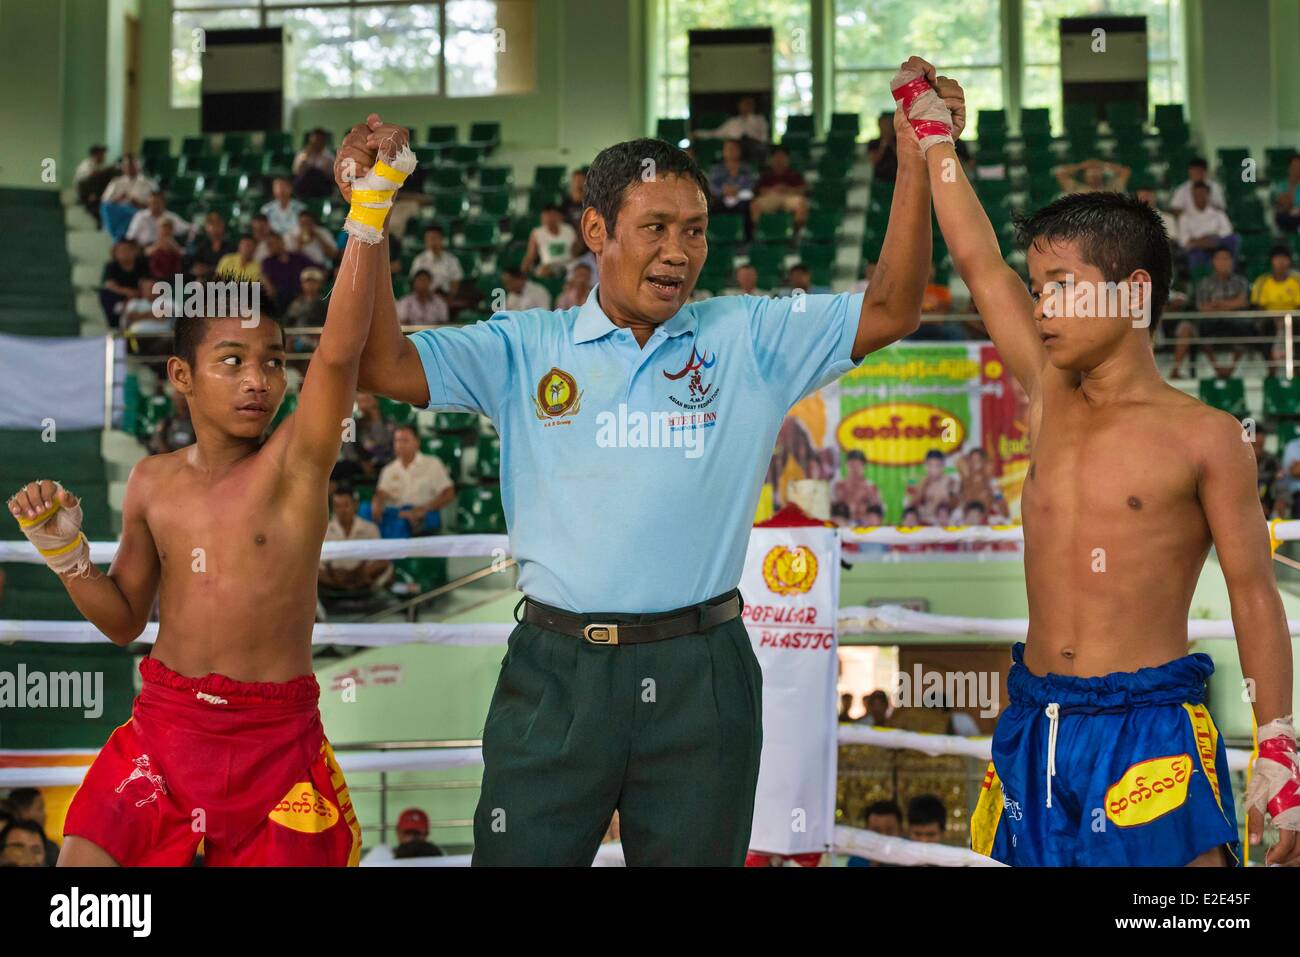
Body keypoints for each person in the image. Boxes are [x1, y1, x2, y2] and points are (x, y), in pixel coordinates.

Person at [347, 95, 937, 864]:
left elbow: (893, 307)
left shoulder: (750, 334)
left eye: (693, 231)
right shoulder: (526, 345)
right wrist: (371, 210)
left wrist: (914, 154)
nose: (678, 251)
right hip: (554, 671)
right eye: (655, 228)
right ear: (596, 231)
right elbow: (381, 361)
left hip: (704, 669)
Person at [915, 56, 1297, 866]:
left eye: (1058, 285)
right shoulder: (1048, 390)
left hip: (1152, 723)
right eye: (1037, 287)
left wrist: (1281, 748)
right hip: (1036, 716)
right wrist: (933, 135)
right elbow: (979, 259)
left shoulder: (1207, 435)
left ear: (1129, 295)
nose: (1040, 306)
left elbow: (1254, 592)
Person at [5, 113, 410, 866]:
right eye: (232, 360)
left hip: (277, 743)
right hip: (163, 730)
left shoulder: (294, 462)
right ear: (182, 378)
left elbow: (340, 351)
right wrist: (66, 556)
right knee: (83, 895)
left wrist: (370, 208)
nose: (259, 379)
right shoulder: (153, 483)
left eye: (272, 360)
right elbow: (125, 621)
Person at [368, 424, 456, 537]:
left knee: (402, 524)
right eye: (397, 440)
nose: (400, 445)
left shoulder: (432, 464)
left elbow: (449, 493)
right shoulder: (388, 470)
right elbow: (381, 493)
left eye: (405, 440)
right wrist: (377, 502)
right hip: (398, 515)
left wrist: (424, 509)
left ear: (417, 442)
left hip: (424, 514)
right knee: (366, 510)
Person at [318, 486, 392, 593]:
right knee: (312, 569)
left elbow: (378, 559)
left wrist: (359, 572)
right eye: (337, 506)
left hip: (362, 575)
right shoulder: (323, 530)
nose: (342, 510)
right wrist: (334, 576)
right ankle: (340, 588)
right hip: (333, 578)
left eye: (346, 505)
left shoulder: (370, 528)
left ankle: (357, 587)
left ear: (355, 505)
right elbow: (320, 563)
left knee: (384, 563)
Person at [1195, 245, 1250, 378]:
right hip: (1212, 320)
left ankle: (1232, 367)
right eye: (1219, 259)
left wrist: (1218, 304)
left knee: (1244, 326)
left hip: (1234, 319)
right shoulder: (1205, 283)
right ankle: (1216, 367)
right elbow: (1202, 307)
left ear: (1232, 261)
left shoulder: (1240, 281)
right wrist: (1230, 304)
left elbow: (1242, 302)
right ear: (1213, 262)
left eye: (1226, 258)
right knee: (1202, 327)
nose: (1223, 262)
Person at [1252, 245, 1300, 371]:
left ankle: (1296, 368)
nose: (1281, 262)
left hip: (1293, 319)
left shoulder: (1297, 280)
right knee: (1265, 327)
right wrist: (1274, 318)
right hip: (1269, 319)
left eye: (1284, 258)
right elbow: (1259, 306)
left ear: (1289, 261)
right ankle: (1271, 368)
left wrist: (1286, 319)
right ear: (1272, 261)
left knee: (1296, 327)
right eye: (1277, 258)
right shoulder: (1262, 281)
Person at [1178, 182, 1238, 271]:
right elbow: (1184, 242)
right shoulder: (1185, 217)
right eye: (1197, 194)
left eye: (1202, 194)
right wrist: (1203, 241)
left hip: (1217, 246)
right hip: (1198, 249)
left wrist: (1212, 239)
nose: (1200, 197)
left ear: (1208, 195)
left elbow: (1227, 233)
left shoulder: (1218, 213)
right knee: (1194, 254)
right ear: (1192, 196)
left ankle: (1231, 273)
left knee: (1235, 239)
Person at [100, 155, 156, 240]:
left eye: (132, 165)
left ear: (139, 166)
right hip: (119, 211)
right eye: (126, 166)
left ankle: (118, 238)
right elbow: (106, 202)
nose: (129, 168)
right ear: (122, 168)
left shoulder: (149, 183)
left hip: (139, 211)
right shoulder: (115, 182)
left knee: (136, 215)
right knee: (106, 207)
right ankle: (118, 236)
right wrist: (118, 199)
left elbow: (155, 204)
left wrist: (136, 203)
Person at [751, 145, 808, 227]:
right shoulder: (766, 175)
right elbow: (760, 190)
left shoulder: (794, 174)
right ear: (771, 159)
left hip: (789, 197)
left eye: (782, 157)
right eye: (776, 157)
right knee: (755, 205)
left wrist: (788, 189)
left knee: (802, 204)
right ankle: (761, 232)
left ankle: (796, 233)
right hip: (771, 197)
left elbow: (803, 189)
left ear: (787, 159)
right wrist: (773, 190)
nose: (779, 160)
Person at [708, 139, 757, 229]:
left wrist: (737, 190)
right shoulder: (716, 169)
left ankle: (747, 238)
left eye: (733, 149)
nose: (731, 152)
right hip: (721, 199)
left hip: (742, 200)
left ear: (739, 151)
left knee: (751, 206)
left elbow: (751, 185)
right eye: (728, 149)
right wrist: (723, 191)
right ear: (723, 151)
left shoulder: (747, 168)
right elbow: (711, 186)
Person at [100, 240, 149, 328]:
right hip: (120, 295)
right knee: (105, 294)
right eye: (121, 251)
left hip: (140, 293)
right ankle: (115, 324)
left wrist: (137, 293)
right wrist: (127, 292)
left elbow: (146, 281)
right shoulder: (111, 266)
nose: (125, 253)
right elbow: (109, 284)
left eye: (128, 250)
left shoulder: (142, 264)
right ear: (115, 253)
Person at [521, 204, 577, 278]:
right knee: (543, 271)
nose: (550, 218)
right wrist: (522, 271)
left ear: (558, 216)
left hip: (568, 265)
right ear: (542, 218)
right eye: (547, 216)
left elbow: (576, 251)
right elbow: (530, 255)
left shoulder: (568, 229)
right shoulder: (537, 233)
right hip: (549, 267)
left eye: (553, 215)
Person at [6, 788, 59, 865]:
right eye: (40, 808)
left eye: (36, 850)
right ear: (23, 811)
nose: (45, 815)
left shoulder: (51, 848)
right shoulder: (51, 848)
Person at [125, 191, 190, 250]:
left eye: (158, 202)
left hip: (166, 248)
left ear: (164, 203)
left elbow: (186, 229)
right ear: (148, 203)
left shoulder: (171, 217)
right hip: (144, 248)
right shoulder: (140, 216)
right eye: (153, 202)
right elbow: (130, 236)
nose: (155, 205)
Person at [408, 225, 463, 294]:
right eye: (428, 239)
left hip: (444, 297)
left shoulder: (452, 260)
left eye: (434, 238)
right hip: (424, 297)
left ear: (441, 239)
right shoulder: (419, 260)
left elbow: (455, 284)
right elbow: (414, 283)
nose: (431, 242)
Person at [184, 212, 236, 277]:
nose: (214, 229)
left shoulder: (231, 247)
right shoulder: (203, 246)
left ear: (223, 227)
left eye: (217, 225)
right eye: (212, 226)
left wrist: (209, 270)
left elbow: (231, 268)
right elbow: (194, 263)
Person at [1054, 158, 1130, 195]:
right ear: (1085, 177)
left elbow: (1125, 171)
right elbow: (1060, 174)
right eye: (1090, 173)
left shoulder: (1112, 188)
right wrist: (1082, 165)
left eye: (1096, 172)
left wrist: (1101, 164)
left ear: (1102, 175)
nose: (1094, 176)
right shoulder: (1077, 188)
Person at [1271, 153, 1300, 234]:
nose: (1297, 169)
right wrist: (1292, 185)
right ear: (1289, 168)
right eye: (1295, 166)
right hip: (1288, 216)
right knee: (1281, 216)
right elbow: (1284, 205)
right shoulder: (1282, 185)